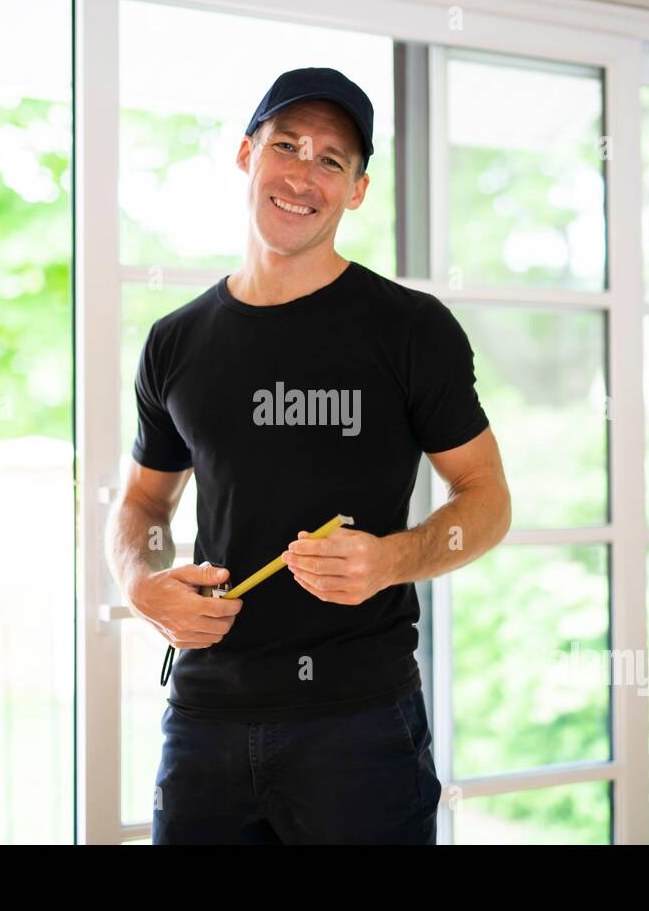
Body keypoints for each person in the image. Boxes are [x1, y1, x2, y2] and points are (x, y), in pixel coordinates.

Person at [106, 66, 511, 844]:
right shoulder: (176, 341)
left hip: (359, 727)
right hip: (204, 721)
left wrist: (394, 559)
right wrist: (138, 584)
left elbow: (486, 498)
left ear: (357, 189)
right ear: (245, 155)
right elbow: (141, 504)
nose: (303, 173)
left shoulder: (410, 329)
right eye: (286, 145)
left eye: (332, 159)